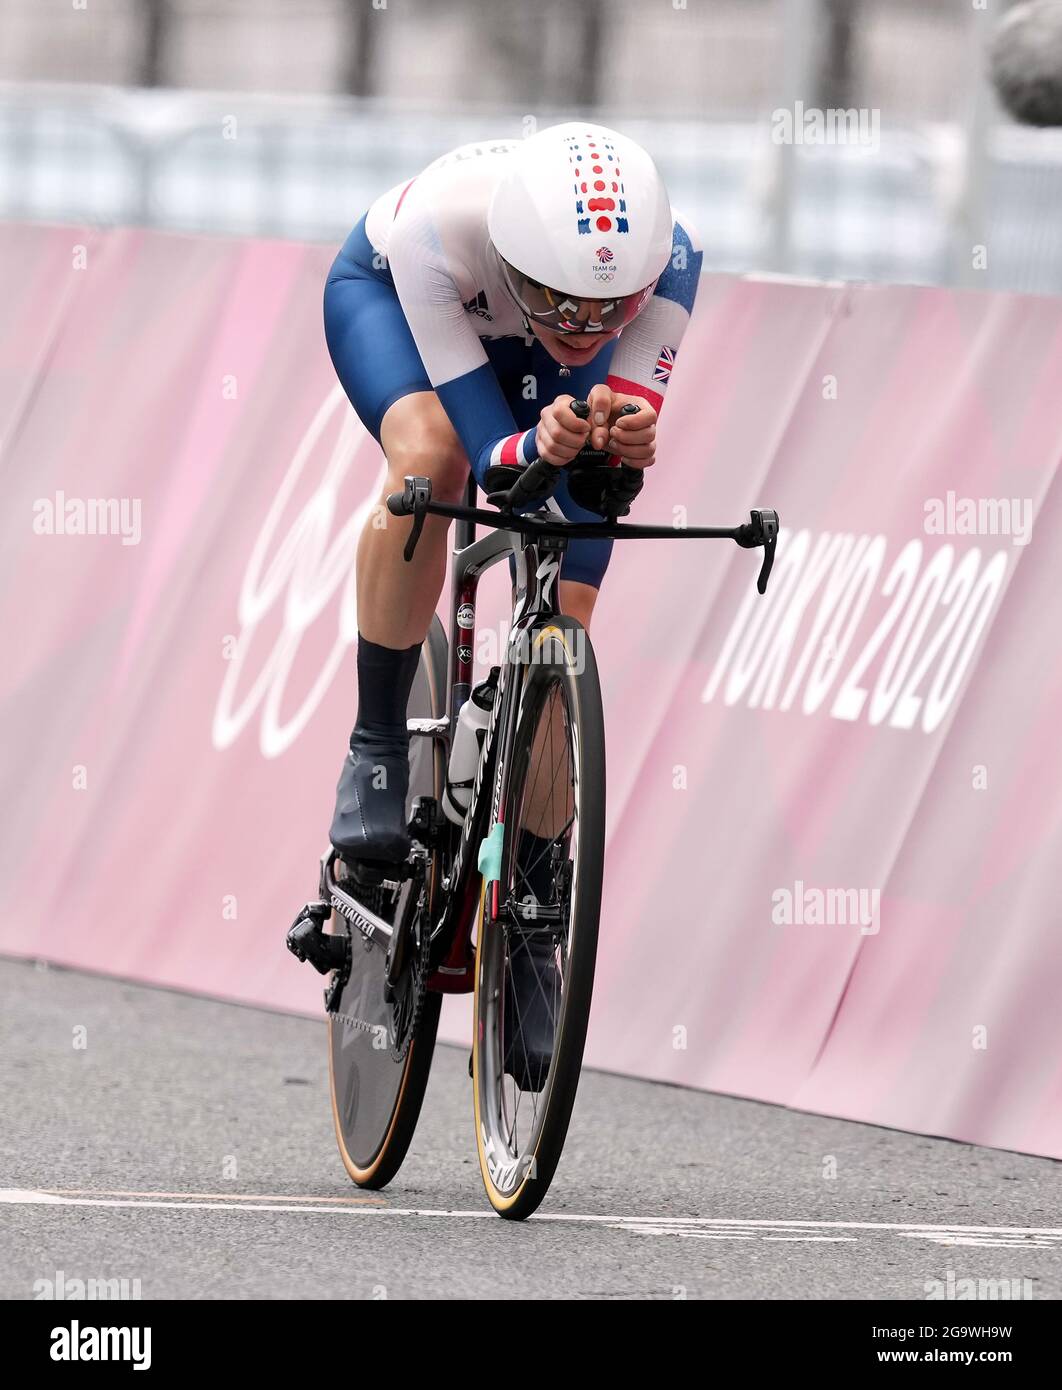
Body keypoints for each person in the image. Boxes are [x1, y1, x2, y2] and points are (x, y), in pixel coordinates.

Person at [323, 122, 701, 1082]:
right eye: (563, 304)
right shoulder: (435, 235)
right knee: (432, 462)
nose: (582, 326)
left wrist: (619, 435)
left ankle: (535, 908)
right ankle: (374, 745)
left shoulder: (676, 262)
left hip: (511, 317)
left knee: (570, 599)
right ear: (518, 261)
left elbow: (610, 431)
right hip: (401, 306)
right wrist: (538, 447)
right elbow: (494, 459)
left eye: (609, 308)